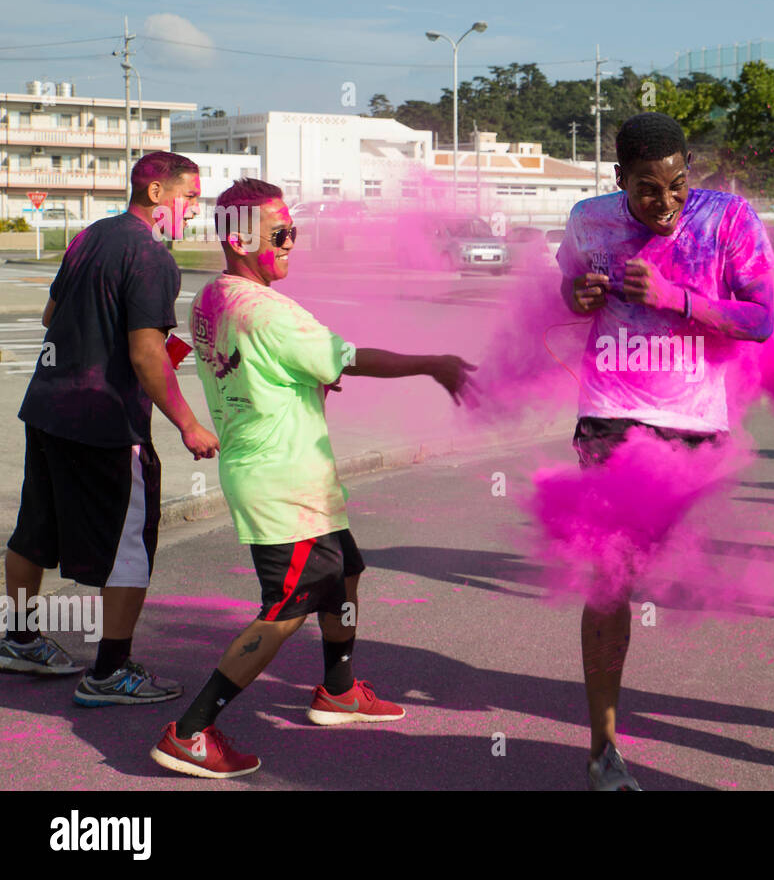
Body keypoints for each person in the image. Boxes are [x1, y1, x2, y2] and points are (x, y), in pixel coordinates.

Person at [150, 178, 476, 778]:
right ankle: (191, 730)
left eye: (294, 231)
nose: (294, 243)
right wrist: (434, 364)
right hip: (282, 481)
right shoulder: (269, 311)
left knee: (346, 571)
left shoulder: (213, 296)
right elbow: (351, 357)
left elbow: (202, 358)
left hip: (290, 474)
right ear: (243, 239)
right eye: (283, 234)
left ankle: (338, 689)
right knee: (285, 606)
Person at [557, 112, 774, 790]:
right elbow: (566, 289)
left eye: (678, 183)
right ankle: (604, 750)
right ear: (619, 180)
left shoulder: (727, 218)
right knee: (610, 577)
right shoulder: (588, 219)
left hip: (693, 422)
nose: (667, 202)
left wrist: (679, 298)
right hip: (610, 412)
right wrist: (580, 295)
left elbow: (761, 320)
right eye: (648, 189)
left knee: (650, 563)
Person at [1, 151, 219, 706]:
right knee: (129, 545)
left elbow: (52, 317)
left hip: (48, 409)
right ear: (156, 194)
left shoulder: (91, 235)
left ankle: (20, 638)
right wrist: (190, 425)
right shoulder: (151, 256)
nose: (193, 209)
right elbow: (147, 356)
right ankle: (111, 672)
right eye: (188, 197)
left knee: (34, 529)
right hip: (106, 423)